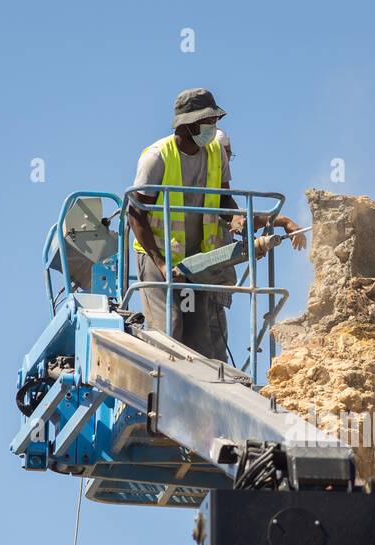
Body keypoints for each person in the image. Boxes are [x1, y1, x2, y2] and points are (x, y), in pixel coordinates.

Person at [127, 88, 307, 360]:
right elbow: (135, 214)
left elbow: (224, 201)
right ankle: (163, 390)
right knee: (170, 329)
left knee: (201, 341)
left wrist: (236, 218)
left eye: (214, 121)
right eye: (208, 121)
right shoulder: (157, 157)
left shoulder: (214, 153)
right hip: (157, 255)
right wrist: (161, 262)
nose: (214, 127)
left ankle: (192, 400)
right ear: (188, 124)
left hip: (197, 260)